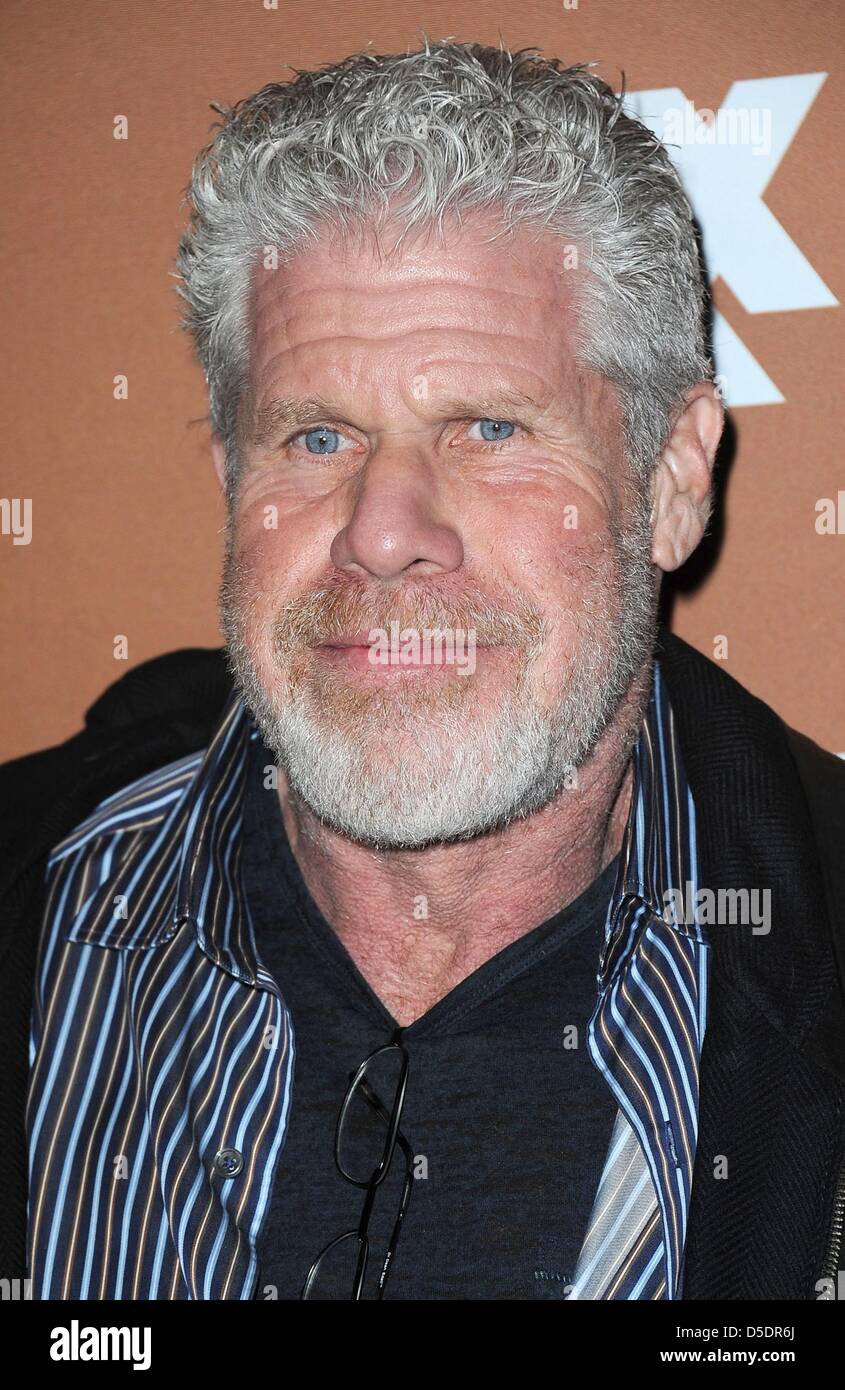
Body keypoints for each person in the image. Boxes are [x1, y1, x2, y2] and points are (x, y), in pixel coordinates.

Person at [2, 39, 843, 1302]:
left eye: (489, 428)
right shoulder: (35, 897)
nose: (382, 529)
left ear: (670, 481)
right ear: (235, 482)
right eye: (318, 433)